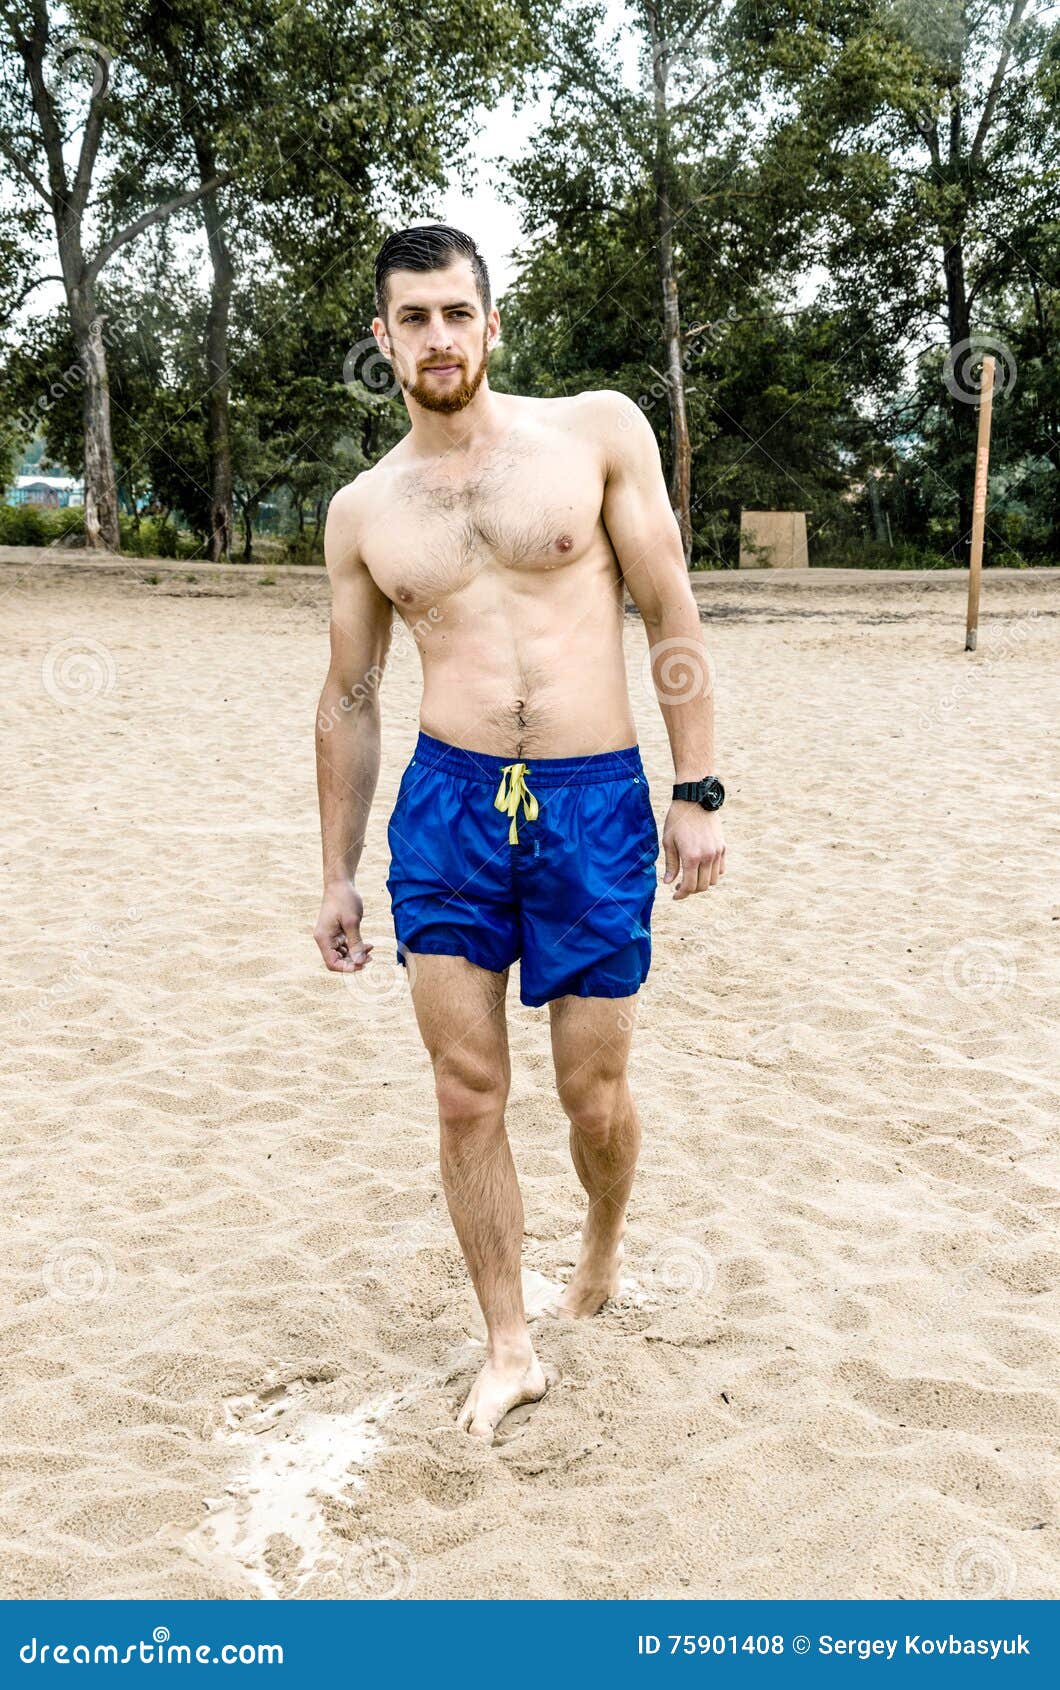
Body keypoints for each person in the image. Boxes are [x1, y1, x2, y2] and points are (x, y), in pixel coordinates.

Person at [315, 224, 725, 1443]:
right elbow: (347, 696)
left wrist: (696, 791)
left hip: (592, 802)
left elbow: (669, 605)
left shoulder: (597, 432)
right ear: (382, 340)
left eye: (456, 313)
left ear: (491, 325)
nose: (437, 338)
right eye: (413, 318)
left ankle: (599, 1240)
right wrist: (336, 872)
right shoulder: (362, 511)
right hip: (446, 810)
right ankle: (508, 1340)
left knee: (591, 1092)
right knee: (464, 1087)